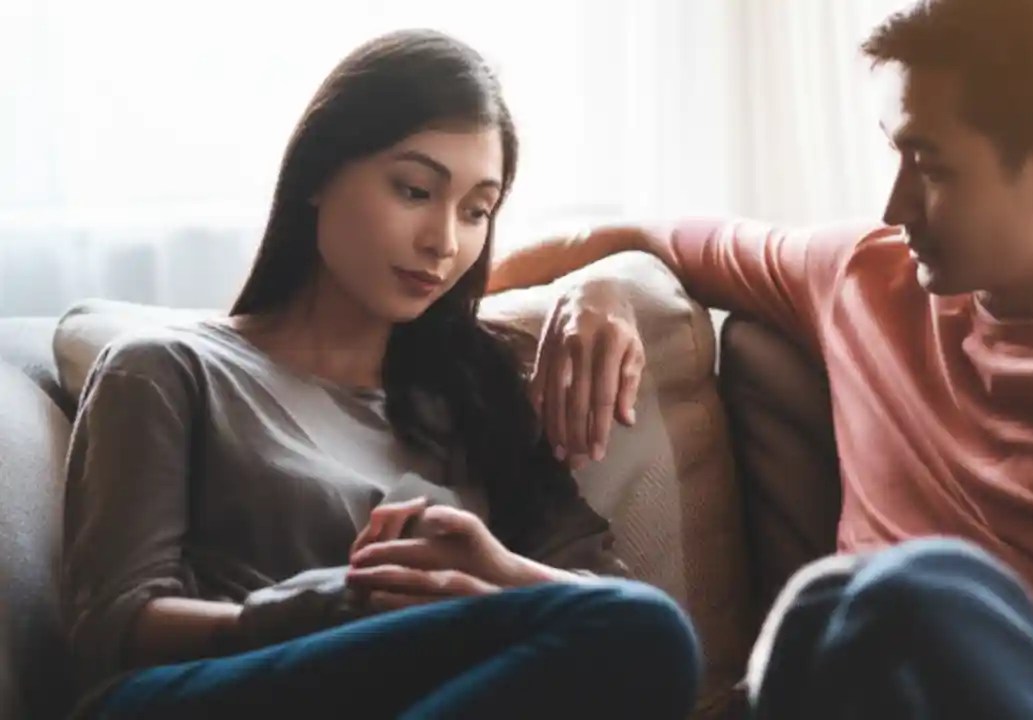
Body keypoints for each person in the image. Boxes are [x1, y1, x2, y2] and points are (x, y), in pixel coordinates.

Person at [486, 0, 1033, 717]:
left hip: (1016, 693)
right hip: (853, 674)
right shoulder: (861, 276)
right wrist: (598, 288)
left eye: (930, 167)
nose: (894, 208)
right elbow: (643, 233)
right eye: (894, 157)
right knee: (884, 599)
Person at [60, 29, 699, 720]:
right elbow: (111, 630)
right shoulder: (166, 370)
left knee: (648, 629)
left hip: (425, 688)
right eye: (414, 189)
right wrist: (332, 605)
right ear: (317, 174)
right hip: (212, 689)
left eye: (476, 210)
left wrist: (490, 577)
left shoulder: (474, 393)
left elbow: (605, 608)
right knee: (644, 628)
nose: (444, 242)